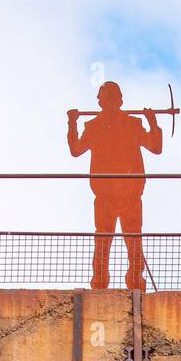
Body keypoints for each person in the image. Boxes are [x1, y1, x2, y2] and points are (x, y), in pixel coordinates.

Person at [66, 81, 163, 289]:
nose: (109, 103)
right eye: (106, 98)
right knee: (114, 238)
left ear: (118, 101)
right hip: (109, 194)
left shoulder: (127, 124)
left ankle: (124, 280)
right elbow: (75, 150)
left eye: (111, 98)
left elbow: (155, 147)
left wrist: (153, 123)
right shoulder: (100, 127)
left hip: (126, 193)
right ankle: (114, 280)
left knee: (122, 238)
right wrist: (72, 124)